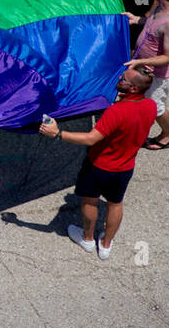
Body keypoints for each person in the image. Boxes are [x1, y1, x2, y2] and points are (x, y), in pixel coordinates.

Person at [40, 65, 156, 261]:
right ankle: (106, 244)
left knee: (90, 200)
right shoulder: (151, 106)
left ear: (134, 89)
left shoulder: (116, 112)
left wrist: (57, 134)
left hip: (99, 166)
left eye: (124, 79)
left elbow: (91, 139)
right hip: (125, 167)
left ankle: (87, 239)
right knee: (115, 204)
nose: (119, 79)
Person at [127, 0, 169, 151]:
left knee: (157, 106)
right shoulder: (160, 6)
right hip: (143, 66)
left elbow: (168, 57)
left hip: (156, 74)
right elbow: (151, 25)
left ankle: (168, 134)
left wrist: (140, 61)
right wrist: (136, 20)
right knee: (140, 100)